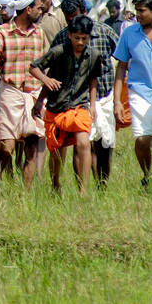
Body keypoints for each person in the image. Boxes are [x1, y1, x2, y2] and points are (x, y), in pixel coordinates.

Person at [0, 0, 49, 193]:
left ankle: (25, 192)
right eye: (38, 7)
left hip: (34, 92)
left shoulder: (40, 34)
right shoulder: (3, 32)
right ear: (27, 10)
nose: (41, 10)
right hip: (11, 90)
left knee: (31, 142)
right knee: (7, 146)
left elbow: (46, 63)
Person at [31, 16, 102, 195]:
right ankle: (55, 184)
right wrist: (46, 80)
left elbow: (93, 80)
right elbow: (34, 67)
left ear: (89, 37)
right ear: (69, 35)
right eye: (76, 37)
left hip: (80, 105)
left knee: (83, 143)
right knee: (56, 150)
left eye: (84, 38)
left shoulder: (94, 55)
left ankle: (83, 190)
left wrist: (92, 105)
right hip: (57, 106)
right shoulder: (58, 52)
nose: (80, 42)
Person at [52, 0, 119, 186]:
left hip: (104, 96)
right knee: (81, 144)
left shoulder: (104, 32)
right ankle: (83, 187)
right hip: (76, 101)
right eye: (68, 18)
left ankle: (102, 184)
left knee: (104, 145)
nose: (72, 22)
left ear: (84, 12)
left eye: (75, 16)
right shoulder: (61, 37)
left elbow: (123, 57)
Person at [112, 0, 152, 193]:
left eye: (142, 11)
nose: (137, 15)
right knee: (142, 138)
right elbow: (121, 66)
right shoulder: (129, 34)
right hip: (139, 92)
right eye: (136, 10)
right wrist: (116, 101)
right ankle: (146, 176)